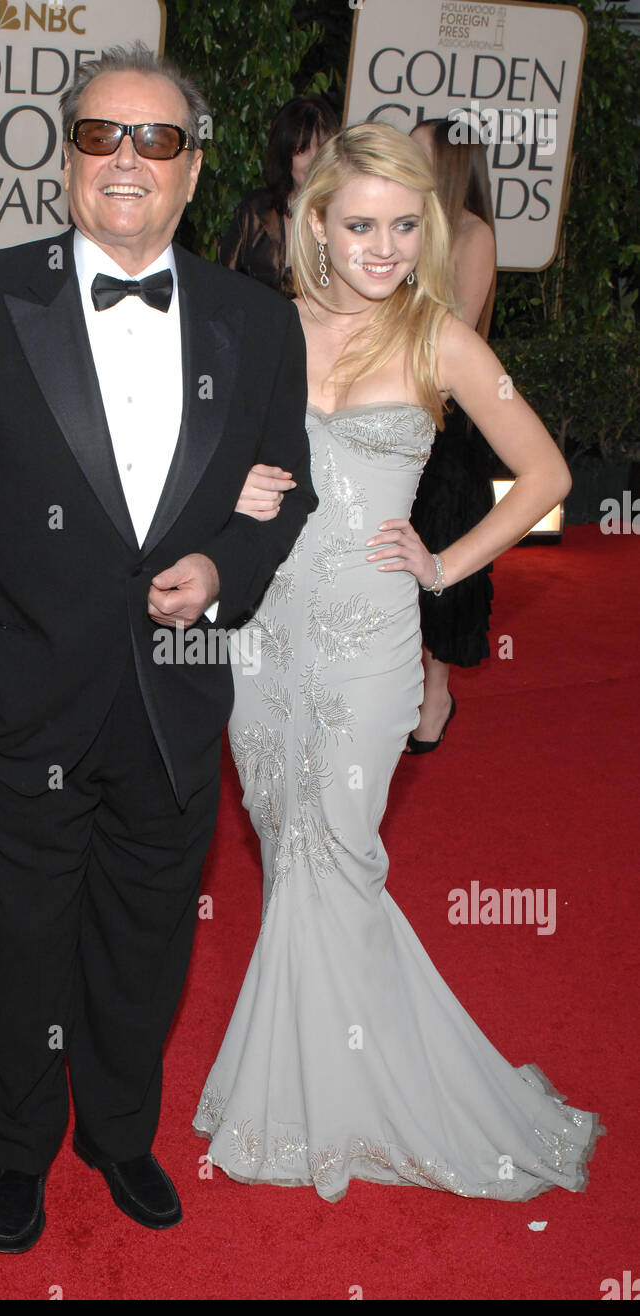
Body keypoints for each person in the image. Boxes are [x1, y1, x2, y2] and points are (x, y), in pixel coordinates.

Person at [0, 43, 316, 1252]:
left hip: (173, 694)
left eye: (155, 140)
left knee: (145, 937)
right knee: (22, 940)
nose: (125, 159)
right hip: (16, 690)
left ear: (189, 172)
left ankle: (119, 1132)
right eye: (98, 135)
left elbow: (287, 490)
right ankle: (17, 1150)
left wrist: (226, 565)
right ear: (68, 157)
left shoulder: (254, 320)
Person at [194, 123, 602, 1202]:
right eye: (360, 223)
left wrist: (442, 565)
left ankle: (354, 1104)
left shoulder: (439, 341)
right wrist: (227, 493)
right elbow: (201, 456)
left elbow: (543, 472)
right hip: (259, 633)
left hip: (368, 643)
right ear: (315, 224)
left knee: (339, 856)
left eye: (403, 225)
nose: (381, 246)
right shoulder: (265, 327)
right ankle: (319, 1084)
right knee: (289, 855)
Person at [406, 117, 498, 751]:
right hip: (392, 410)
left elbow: (455, 335)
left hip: (444, 423)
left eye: (417, 153)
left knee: (440, 553)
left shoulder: (472, 235)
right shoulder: (403, 231)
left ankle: (436, 693)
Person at [219, 95, 339, 296]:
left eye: (320, 150)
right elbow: (220, 282)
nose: (313, 162)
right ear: (284, 154)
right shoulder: (255, 211)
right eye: (302, 150)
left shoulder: (347, 216)